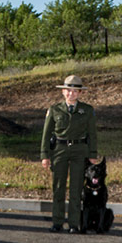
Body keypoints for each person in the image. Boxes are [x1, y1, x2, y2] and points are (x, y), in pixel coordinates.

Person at [40, 75, 98, 234]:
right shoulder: (54, 109)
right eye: (68, 90)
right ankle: (57, 222)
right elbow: (46, 134)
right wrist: (45, 155)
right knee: (58, 187)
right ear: (63, 92)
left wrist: (93, 154)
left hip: (80, 150)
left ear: (80, 93)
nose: (71, 94)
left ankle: (74, 223)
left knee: (76, 188)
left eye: (75, 91)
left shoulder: (87, 110)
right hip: (60, 149)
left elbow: (92, 134)